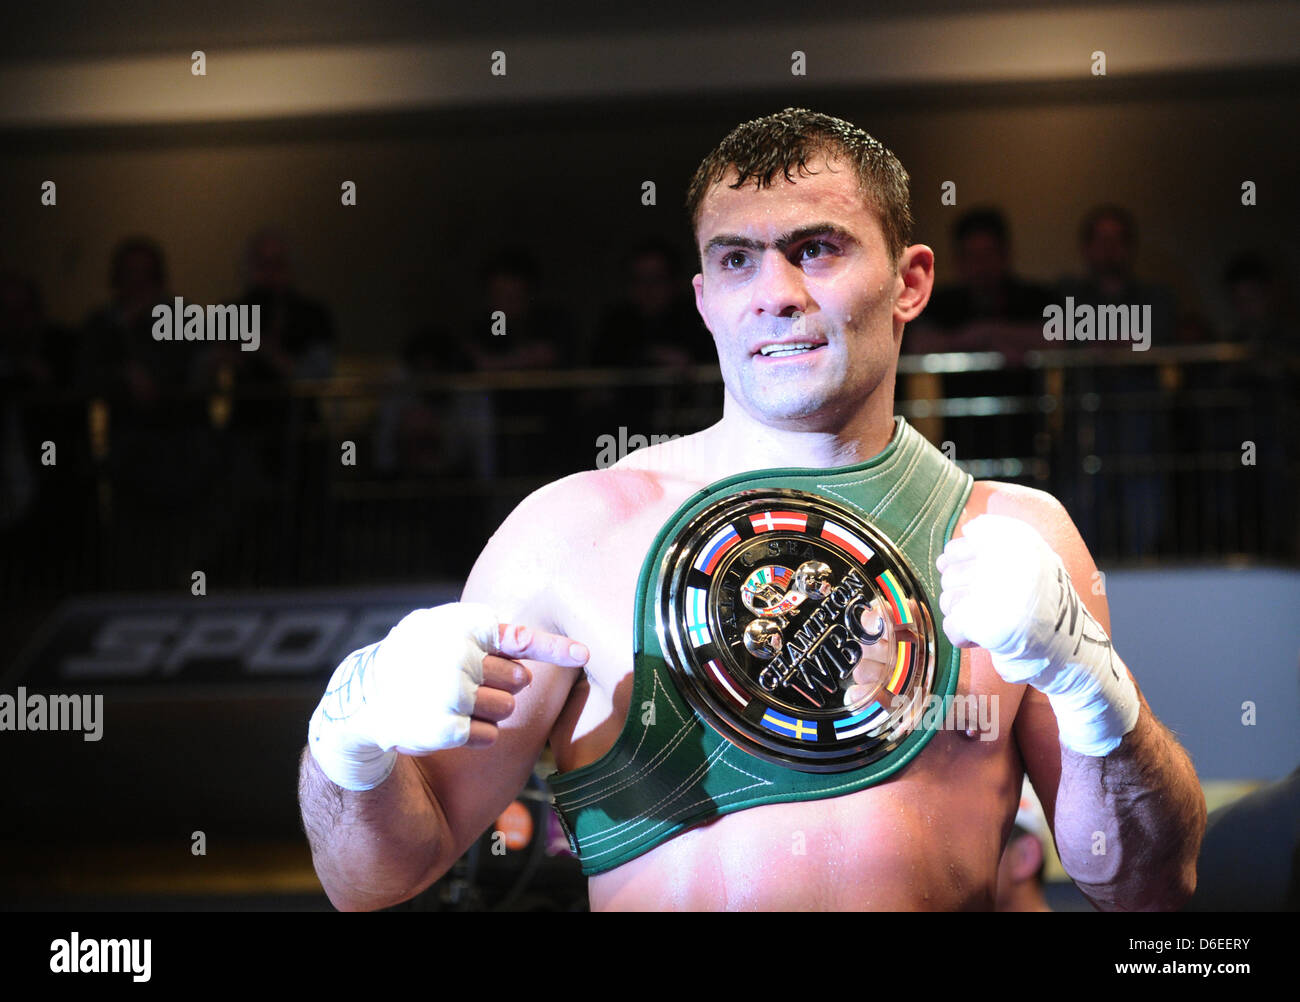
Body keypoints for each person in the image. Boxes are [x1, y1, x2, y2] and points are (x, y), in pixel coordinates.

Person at [298, 107, 1205, 911]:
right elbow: (369, 879)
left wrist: (1096, 691)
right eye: (737, 260)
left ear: (912, 282)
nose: (776, 292)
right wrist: (348, 734)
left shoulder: (1012, 535)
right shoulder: (569, 533)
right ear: (703, 299)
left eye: (818, 248)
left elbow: (1143, 887)